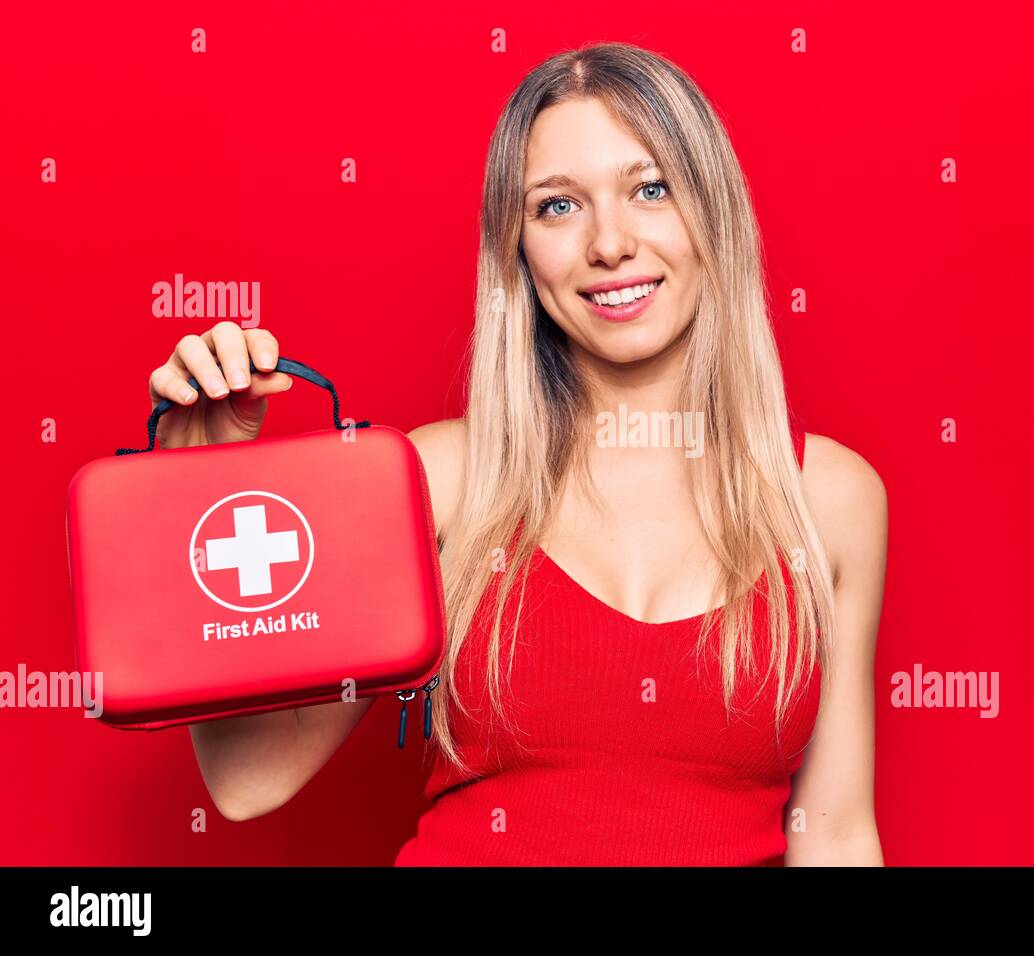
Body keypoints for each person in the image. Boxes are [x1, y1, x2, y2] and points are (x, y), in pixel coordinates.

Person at [157, 42, 887, 865]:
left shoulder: (825, 498)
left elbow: (833, 834)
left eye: (651, 189)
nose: (609, 244)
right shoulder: (436, 481)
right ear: (518, 251)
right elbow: (249, 779)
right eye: (557, 207)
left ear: (714, 213)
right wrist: (203, 486)